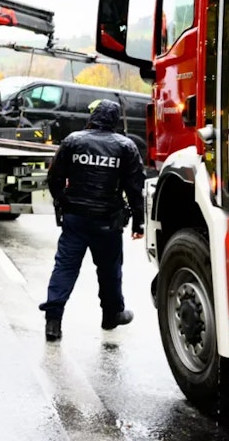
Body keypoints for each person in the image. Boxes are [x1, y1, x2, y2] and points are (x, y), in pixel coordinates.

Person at [38, 98, 145, 341]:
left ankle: (53, 322)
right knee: (110, 271)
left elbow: (54, 177)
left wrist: (63, 201)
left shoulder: (74, 141)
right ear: (115, 120)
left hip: (75, 219)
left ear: (92, 117)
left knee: (64, 268)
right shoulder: (125, 147)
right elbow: (135, 189)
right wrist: (139, 222)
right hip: (107, 222)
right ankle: (111, 316)